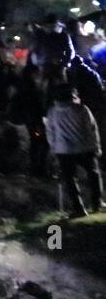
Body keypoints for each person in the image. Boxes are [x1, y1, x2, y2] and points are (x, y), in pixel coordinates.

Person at [44, 85, 102, 216]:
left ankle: (79, 208)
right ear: (73, 96)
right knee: (93, 174)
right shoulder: (82, 109)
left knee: (70, 179)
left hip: (64, 150)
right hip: (85, 147)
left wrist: (54, 148)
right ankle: (97, 202)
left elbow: (50, 132)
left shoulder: (52, 112)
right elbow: (92, 129)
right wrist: (97, 146)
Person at [9, 64, 49, 177]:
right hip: (34, 119)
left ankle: (35, 167)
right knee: (40, 142)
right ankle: (38, 168)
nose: (38, 75)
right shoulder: (30, 87)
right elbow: (35, 104)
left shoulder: (24, 85)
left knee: (37, 141)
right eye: (37, 72)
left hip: (30, 118)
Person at [31, 15, 75, 83]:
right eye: (48, 26)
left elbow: (70, 52)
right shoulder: (40, 36)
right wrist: (39, 64)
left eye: (52, 26)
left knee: (63, 84)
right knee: (42, 85)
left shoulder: (64, 36)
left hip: (59, 65)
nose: (50, 28)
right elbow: (35, 51)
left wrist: (64, 64)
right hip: (45, 65)